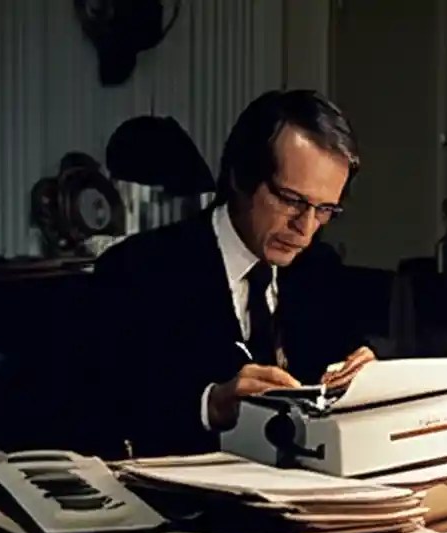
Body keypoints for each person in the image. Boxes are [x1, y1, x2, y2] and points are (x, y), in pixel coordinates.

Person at [94, 90, 374, 457]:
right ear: (242, 177)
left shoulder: (320, 271)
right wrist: (211, 406)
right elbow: (96, 416)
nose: (305, 228)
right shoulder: (137, 270)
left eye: (325, 210)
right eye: (291, 200)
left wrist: (367, 386)